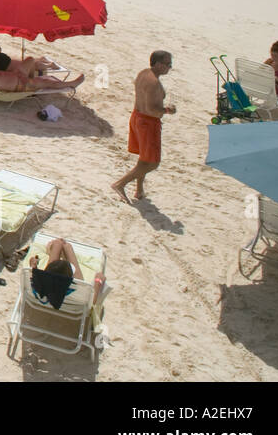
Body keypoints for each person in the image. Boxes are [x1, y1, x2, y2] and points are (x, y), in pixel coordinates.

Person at [111, 50, 176, 204]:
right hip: (148, 123)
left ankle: (139, 189)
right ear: (159, 64)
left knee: (144, 159)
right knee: (153, 163)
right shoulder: (154, 83)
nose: (170, 67)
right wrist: (168, 110)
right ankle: (120, 184)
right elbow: (152, 109)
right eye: (168, 64)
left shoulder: (143, 73)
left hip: (136, 117)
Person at [28, 238, 107, 310]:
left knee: (57, 246)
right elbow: (92, 301)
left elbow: (33, 275)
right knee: (66, 246)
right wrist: (98, 281)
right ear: (70, 277)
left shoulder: (38, 286)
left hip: (48, 284)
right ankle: (65, 248)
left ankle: (57, 247)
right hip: (72, 294)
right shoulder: (80, 294)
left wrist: (33, 266)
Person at [0, 51, 84, 91]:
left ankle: (37, 71)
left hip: (15, 75)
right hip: (21, 83)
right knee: (46, 82)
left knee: (30, 59)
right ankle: (72, 84)